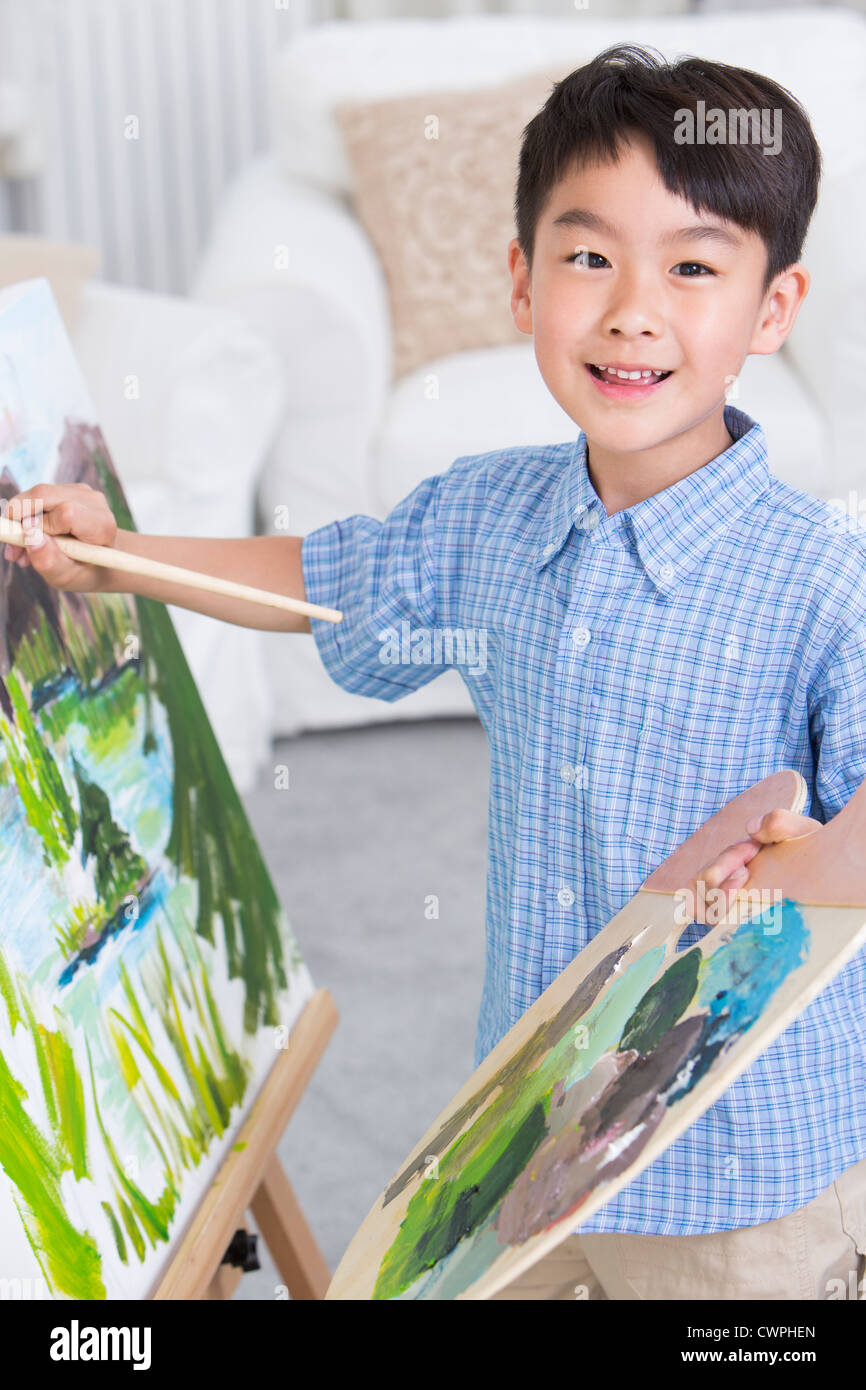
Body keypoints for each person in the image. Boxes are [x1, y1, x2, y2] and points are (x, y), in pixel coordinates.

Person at [6, 44, 865, 1300]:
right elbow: (321, 579)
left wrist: (807, 849)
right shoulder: (485, 521)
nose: (632, 307)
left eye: (691, 267)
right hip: (521, 1151)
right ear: (521, 284)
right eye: (588, 258)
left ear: (770, 310)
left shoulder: (822, 579)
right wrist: (119, 557)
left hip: (735, 1188)